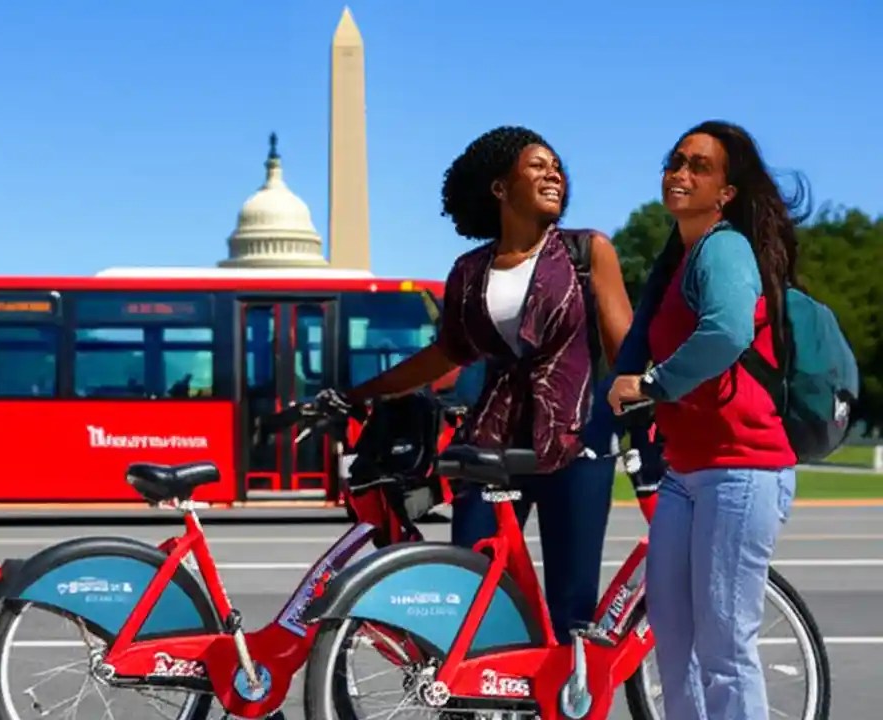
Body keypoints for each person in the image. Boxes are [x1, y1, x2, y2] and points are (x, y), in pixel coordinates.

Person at [313, 126, 635, 642]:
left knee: (571, 605)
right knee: (473, 587)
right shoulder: (469, 271)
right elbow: (447, 354)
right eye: (537, 165)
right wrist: (360, 393)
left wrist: (660, 401)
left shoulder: (586, 252)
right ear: (500, 188)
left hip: (576, 441)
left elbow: (625, 351)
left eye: (557, 166)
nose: (553, 173)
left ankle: (565, 698)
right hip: (492, 443)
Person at [606, 120, 809, 720]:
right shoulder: (681, 258)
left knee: (724, 647)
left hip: (741, 469)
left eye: (698, 166)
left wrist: (652, 383)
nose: (680, 173)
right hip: (687, 471)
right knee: (675, 645)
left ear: (725, 192)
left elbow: (726, 331)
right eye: (675, 161)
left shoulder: (724, 248)